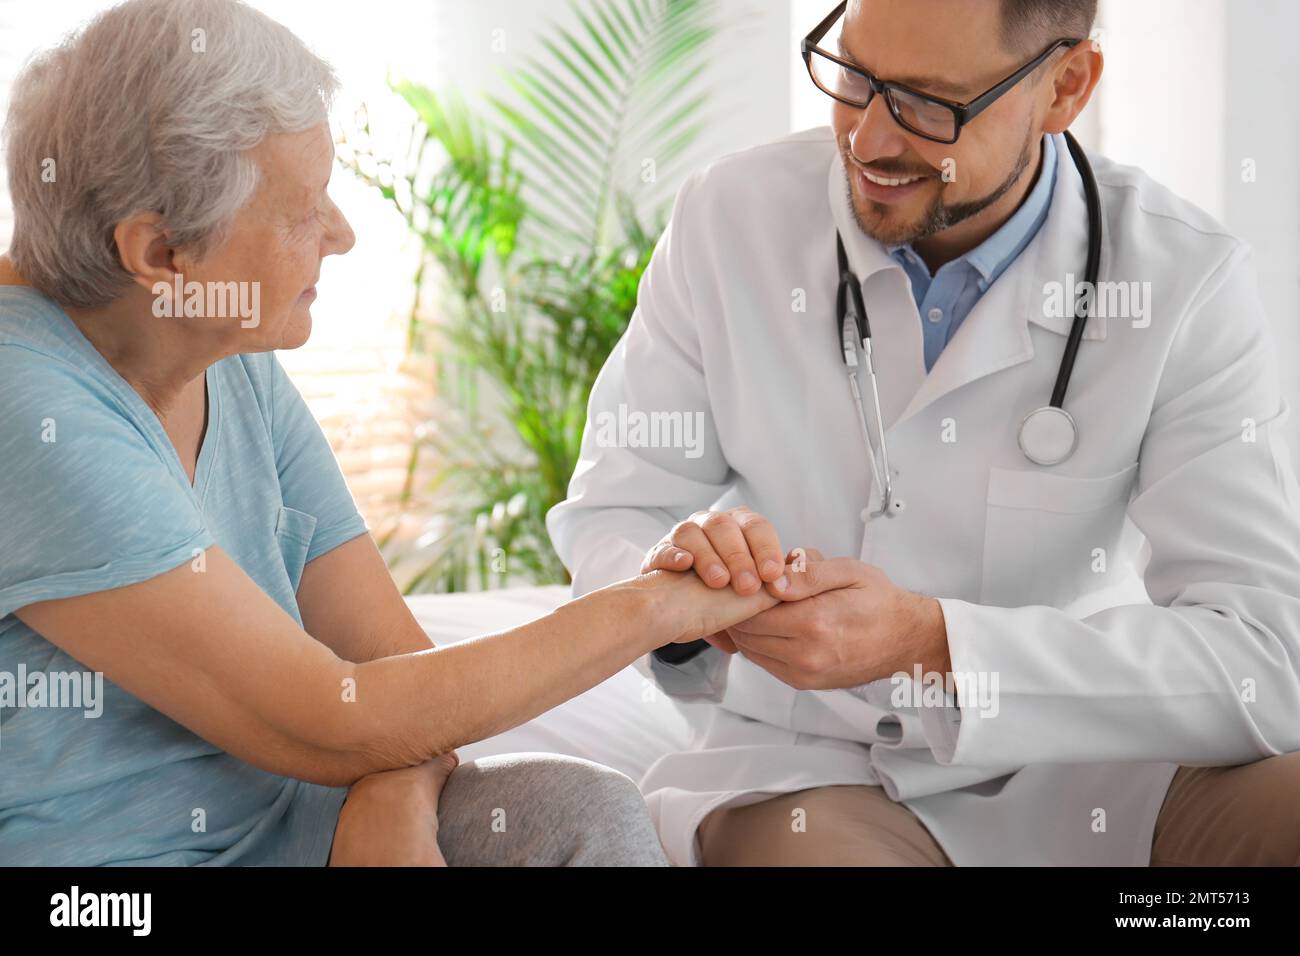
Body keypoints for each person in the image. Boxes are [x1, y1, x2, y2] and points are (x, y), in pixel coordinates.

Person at [0, 0, 792, 867]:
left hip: (306, 827)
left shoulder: (221, 345)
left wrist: (391, 795)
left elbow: (389, 666)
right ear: (160, 256)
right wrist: (657, 603)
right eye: (302, 213)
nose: (341, 233)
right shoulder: (30, 410)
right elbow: (328, 718)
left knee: (583, 810)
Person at [548, 0, 1300, 866]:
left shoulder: (1183, 277)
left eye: (928, 103)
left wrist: (932, 643)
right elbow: (615, 511)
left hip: (1094, 754)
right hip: (814, 766)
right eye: (856, 77)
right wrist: (685, 586)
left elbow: (1262, 656)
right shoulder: (730, 219)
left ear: (1066, 86)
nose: (868, 140)